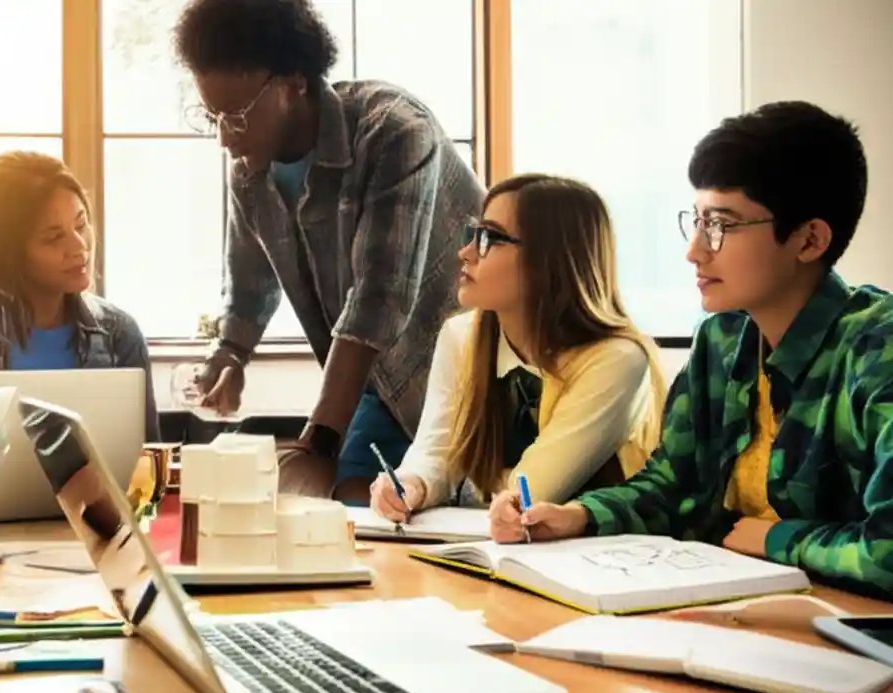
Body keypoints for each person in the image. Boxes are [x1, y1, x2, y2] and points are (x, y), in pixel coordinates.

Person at [491, 102, 893, 599]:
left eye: (721, 225)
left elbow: (887, 551)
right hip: (737, 608)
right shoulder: (722, 339)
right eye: (697, 220)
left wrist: (776, 537)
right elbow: (671, 486)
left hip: (849, 631)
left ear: (809, 240)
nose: (695, 249)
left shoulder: (877, 349)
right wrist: (578, 516)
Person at [173, 0, 485, 500]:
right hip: (379, 388)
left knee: (464, 521)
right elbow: (249, 284)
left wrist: (318, 437)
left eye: (237, 116)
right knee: (350, 509)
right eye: (212, 117)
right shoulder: (250, 173)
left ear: (294, 81)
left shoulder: (394, 132)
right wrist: (229, 355)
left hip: (473, 382)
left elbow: (379, 299)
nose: (225, 138)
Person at [369, 175, 666, 521]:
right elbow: (438, 448)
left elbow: (532, 489)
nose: (464, 253)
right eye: (473, 234)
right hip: (498, 545)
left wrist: (476, 491)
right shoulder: (460, 335)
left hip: (605, 559)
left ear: (549, 258)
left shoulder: (619, 360)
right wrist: (410, 483)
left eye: (488, 238)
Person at [0, 152, 160, 442]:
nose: (78, 247)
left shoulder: (118, 333)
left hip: (96, 491)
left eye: (81, 224)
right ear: (8, 252)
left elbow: (147, 457)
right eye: (53, 237)